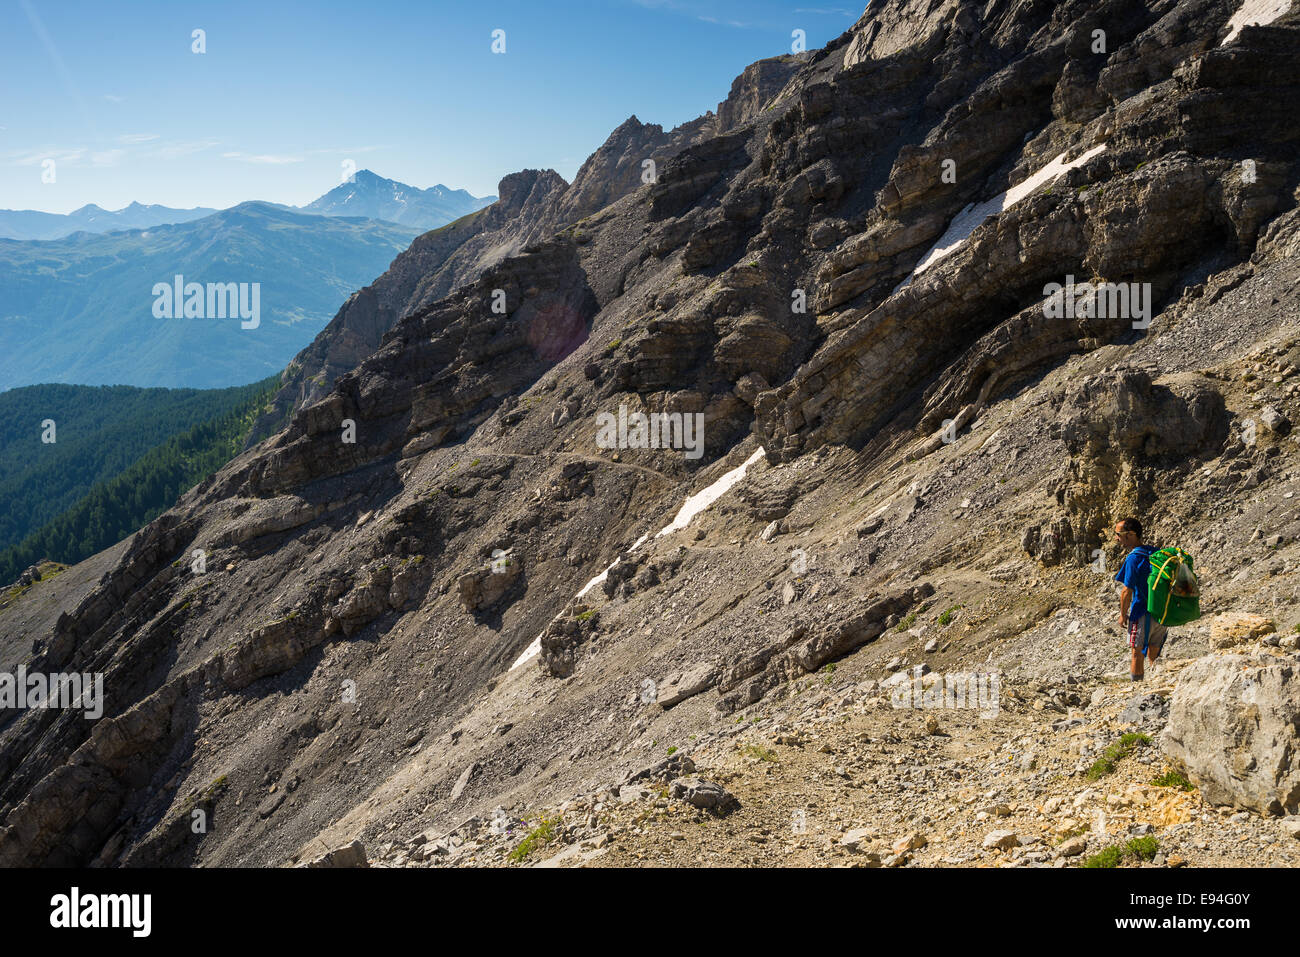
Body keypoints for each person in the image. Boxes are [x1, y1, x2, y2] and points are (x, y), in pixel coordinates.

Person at [1113, 517, 1166, 681]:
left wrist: (1123, 614)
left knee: (1136, 653)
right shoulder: (1156, 552)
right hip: (1161, 612)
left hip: (1141, 612)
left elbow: (1126, 591)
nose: (1116, 538)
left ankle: (1136, 688)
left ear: (1130, 535)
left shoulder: (1133, 558)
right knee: (1155, 651)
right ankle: (1156, 682)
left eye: (1118, 534)